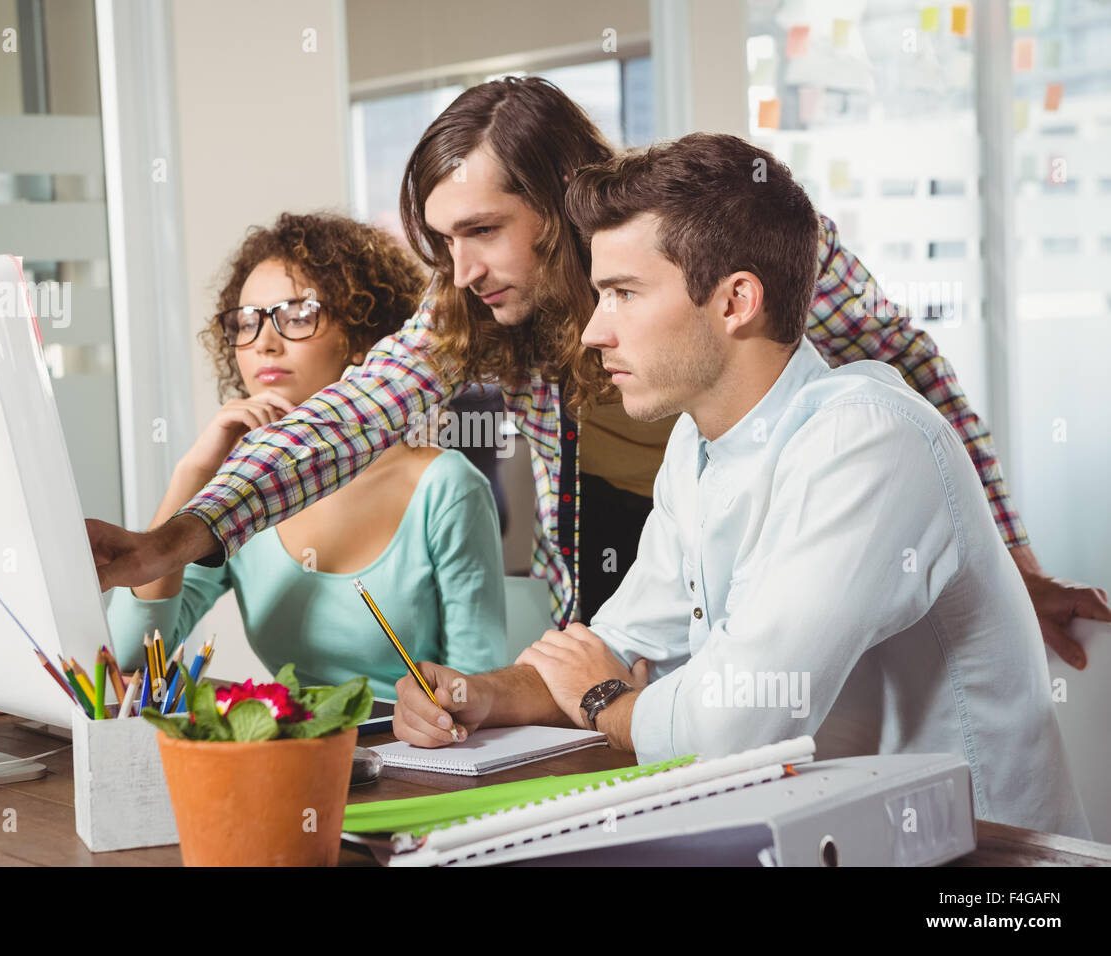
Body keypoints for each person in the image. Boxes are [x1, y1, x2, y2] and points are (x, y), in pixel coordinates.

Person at [86, 76, 1109, 672]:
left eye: (483, 230)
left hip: (802, 576)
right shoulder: (477, 311)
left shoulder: (717, 232)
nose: (460, 269)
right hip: (634, 591)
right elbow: (346, 419)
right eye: (441, 241)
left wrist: (1011, 559)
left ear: (558, 201)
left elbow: (915, 375)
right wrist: (174, 539)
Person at [391, 134, 1090, 839]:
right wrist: (475, 695)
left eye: (623, 294)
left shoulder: (869, 439)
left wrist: (604, 698)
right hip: (822, 839)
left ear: (735, 302)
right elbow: (619, 641)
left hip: (980, 859)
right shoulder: (698, 441)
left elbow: (736, 722)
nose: (593, 332)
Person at [104, 212, 506, 697]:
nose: (265, 344)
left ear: (361, 338)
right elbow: (131, 654)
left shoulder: (446, 487)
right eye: (246, 323)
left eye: (297, 316)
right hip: (291, 751)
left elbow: (477, 690)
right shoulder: (236, 494)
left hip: (420, 755)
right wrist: (194, 473)